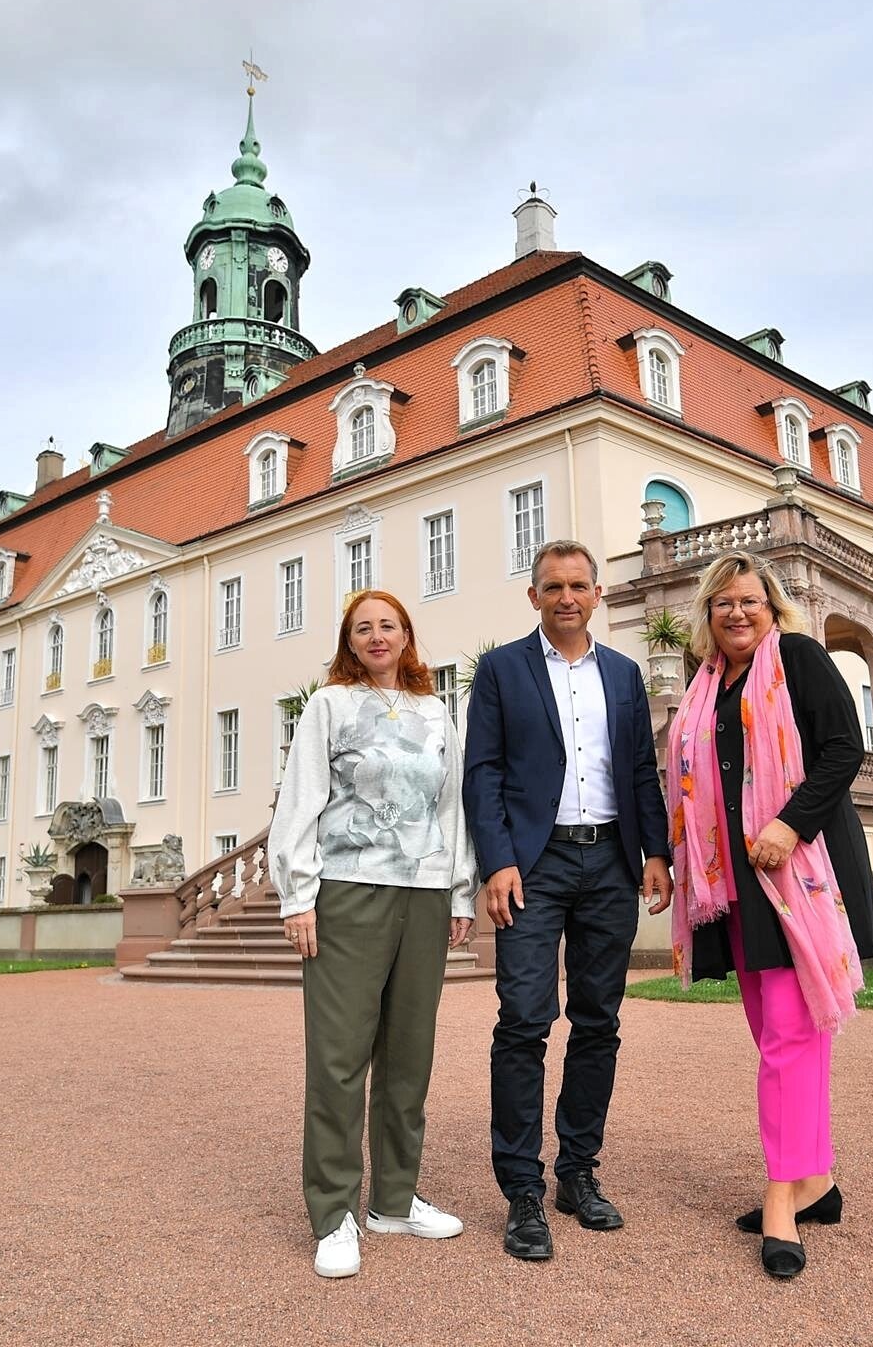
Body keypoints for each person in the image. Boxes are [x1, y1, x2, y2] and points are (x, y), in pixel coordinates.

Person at [665, 552, 873, 1280]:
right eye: (724, 602)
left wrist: (791, 824)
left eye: (750, 601)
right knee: (780, 1031)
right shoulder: (706, 684)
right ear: (707, 613)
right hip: (735, 883)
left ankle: (781, 1202)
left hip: (796, 872)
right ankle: (816, 1182)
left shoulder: (795, 658)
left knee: (788, 1037)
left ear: (773, 608)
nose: (737, 613)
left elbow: (844, 749)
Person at [461, 540, 673, 1262]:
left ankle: (577, 1172)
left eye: (578, 585)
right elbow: (481, 773)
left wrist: (655, 852)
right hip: (535, 861)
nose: (566, 597)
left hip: (611, 859)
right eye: (553, 586)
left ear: (597, 593)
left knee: (598, 1020)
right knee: (523, 1018)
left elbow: (642, 770)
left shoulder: (622, 673)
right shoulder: (500, 670)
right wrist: (497, 862)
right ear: (534, 596)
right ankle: (522, 1186)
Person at [269, 590, 477, 1279]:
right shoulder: (329, 705)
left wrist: (458, 888)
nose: (378, 636)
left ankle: (393, 1197)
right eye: (364, 628)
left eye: (388, 625)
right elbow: (300, 799)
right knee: (339, 1056)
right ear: (349, 642)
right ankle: (334, 1213)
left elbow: (451, 809)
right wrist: (299, 895)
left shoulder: (437, 712)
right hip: (346, 891)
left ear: (407, 635)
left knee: (409, 1052)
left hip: (422, 894)